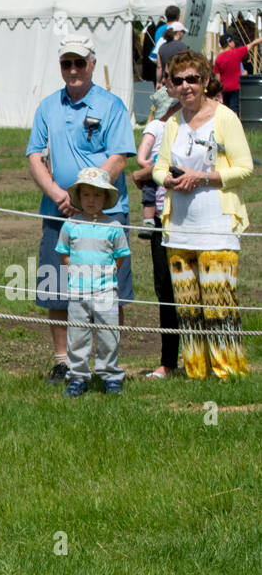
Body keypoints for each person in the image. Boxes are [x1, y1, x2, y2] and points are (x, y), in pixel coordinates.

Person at [27, 34, 134, 383]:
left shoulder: (112, 105)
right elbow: (35, 156)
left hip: (106, 213)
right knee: (57, 285)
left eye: (78, 62)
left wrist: (91, 194)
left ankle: (107, 364)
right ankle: (64, 363)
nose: (72, 70)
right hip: (58, 209)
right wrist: (59, 193)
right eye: (65, 63)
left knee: (109, 289)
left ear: (91, 64)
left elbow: (119, 156)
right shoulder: (47, 107)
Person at [153, 51, 254, 381]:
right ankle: (197, 373)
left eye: (192, 79)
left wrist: (202, 178)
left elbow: (245, 168)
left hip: (217, 226)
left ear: (205, 80)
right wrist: (167, 180)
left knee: (218, 305)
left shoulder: (225, 118)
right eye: (178, 80)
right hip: (179, 229)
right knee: (188, 309)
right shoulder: (172, 122)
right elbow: (158, 167)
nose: (185, 86)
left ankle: (228, 374)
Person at [56, 168, 130, 397]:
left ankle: (110, 376)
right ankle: (78, 377)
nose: (91, 200)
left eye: (97, 195)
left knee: (109, 335)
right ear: (79, 197)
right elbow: (64, 252)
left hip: (106, 290)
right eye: (86, 195)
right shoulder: (70, 225)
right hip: (78, 291)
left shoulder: (114, 227)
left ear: (106, 199)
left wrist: (105, 276)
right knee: (77, 336)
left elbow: (120, 256)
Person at [131, 93, 181, 379]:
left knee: (196, 290)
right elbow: (147, 167)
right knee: (165, 287)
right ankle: (168, 360)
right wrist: (149, 172)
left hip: (193, 218)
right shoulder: (160, 128)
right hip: (163, 216)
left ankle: (205, 358)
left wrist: (146, 173)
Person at [212, 33, 262, 115]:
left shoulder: (218, 58)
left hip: (224, 89)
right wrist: (260, 40)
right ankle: (234, 126)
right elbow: (252, 44)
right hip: (235, 88)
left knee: (225, 110)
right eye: (232, 41)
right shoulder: (236, 53)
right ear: (229, 43)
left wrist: (218, 92)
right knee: (234, 110)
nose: (234, 43)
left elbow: (217, 77)